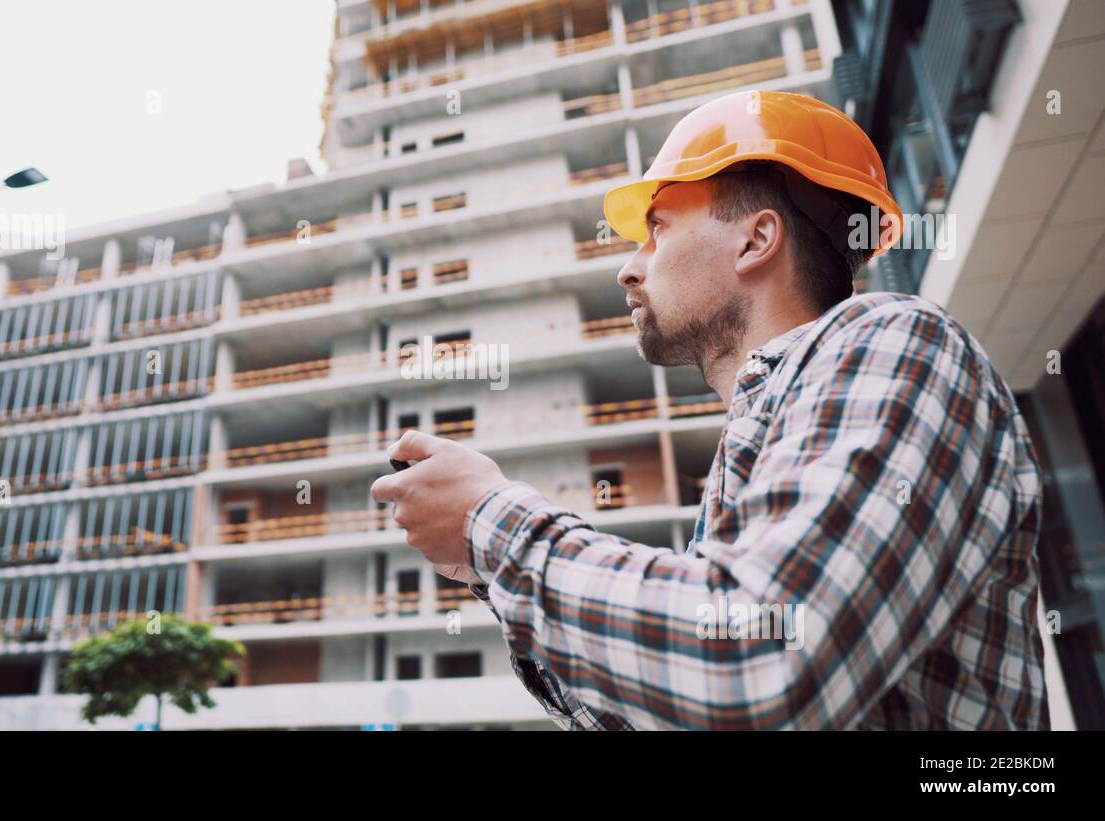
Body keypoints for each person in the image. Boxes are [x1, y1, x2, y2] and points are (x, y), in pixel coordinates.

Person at [369, 90, 1047, 730]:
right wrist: (485, 561)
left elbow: (758, 662)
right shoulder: (761, 449)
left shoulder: (902, 343)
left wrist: (492, 520)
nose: (628, 269)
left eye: (657, 229)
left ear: (755, 241)